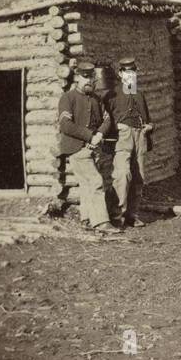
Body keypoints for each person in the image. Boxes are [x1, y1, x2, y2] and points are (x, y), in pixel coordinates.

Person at [58, 62, 118, 234]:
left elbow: (107, 119)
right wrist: (90, 136)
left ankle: (86, 218)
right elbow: (66, 125)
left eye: (91, 77)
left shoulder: (96, 99)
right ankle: (101, 222)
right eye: (85, 77)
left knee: (86, 184)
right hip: (77, 148)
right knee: (95, 182)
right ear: (77, 77)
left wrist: (99, 134)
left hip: (93, 147)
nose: (88, 81)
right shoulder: (68, 98)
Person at [105, 57, 153, 227]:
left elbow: (147, 118)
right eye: (126, 72)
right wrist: (115, 129)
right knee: (122, 174)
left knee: (139, 177)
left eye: (133, 72)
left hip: (139, 135)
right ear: (120, 74)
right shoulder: (113, 94)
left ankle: (132, 215)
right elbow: (106, 119)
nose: (130, 75)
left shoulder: (140, 94)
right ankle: (117, 215)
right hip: (123, 137)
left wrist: (149, 127)